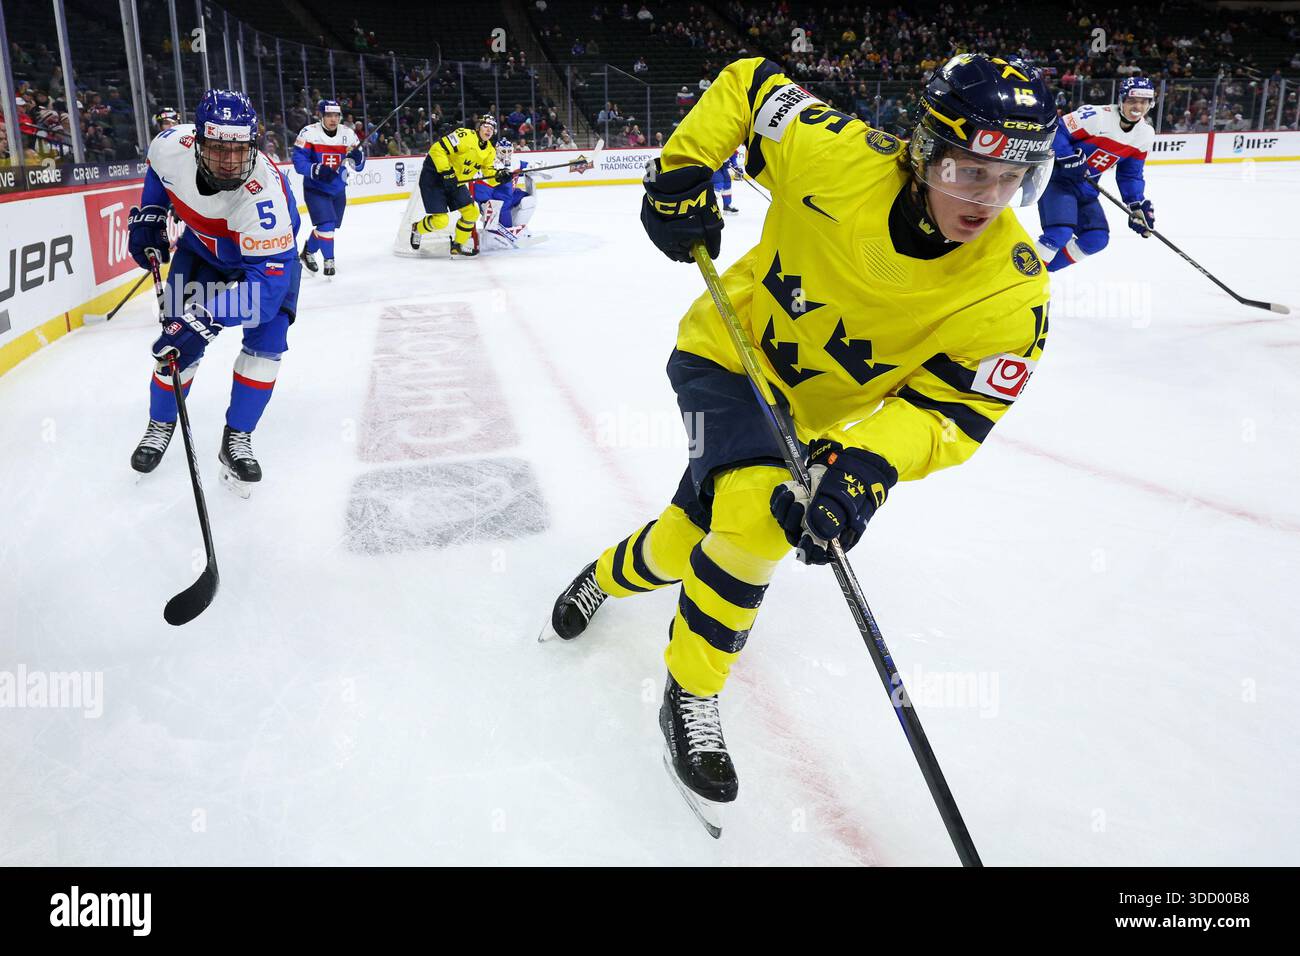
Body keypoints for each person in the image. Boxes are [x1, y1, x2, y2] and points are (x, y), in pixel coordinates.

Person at [539, 54, 1057, 821]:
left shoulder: (1013, 290)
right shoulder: (838, 154)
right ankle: (691, 692)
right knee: (756, 516)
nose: (989, 199)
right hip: (723, 356)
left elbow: (948, 414)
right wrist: (684, 169)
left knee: (693, 539)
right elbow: (751, 85)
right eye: (969, 171)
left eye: (1014, 177)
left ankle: (606, 575)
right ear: (924, 152)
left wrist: (864, 469)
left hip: (803, 420)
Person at [125, 90, 301, 495]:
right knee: (176, 349)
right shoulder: (171, 146)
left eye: (240, 150)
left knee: (267, 347)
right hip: (202, 253)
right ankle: (161, 422)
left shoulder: (265, 195)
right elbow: (157, 172)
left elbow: (266, 292)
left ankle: (237, 437)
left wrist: (204, 319)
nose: (230, 160)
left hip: (266, 267)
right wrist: (151, 212)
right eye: (219, 149)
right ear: (198, 143)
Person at [1035, 75, 1155, 271]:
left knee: (1096, 238)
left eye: (1143, 102)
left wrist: (1137, 205)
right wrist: (1068, 157)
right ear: (1121, 100)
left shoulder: (1145, 134)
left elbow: (1130, 174)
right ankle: (1020, 277)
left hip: (1085, 186)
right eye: (1132, 100)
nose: (1137, 107)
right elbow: (1056, 129)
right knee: (1060, 232)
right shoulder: (1096, 116)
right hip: (1058, 179)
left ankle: (1040, 273)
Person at [409, 114, 507, 257]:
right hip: (434, 178)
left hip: (456, 182)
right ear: (479, 127)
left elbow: (490, 176)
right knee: (441, 221)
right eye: (486, 126)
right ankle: (417, 228)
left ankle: (457, 245)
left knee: (472, 212)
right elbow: (437, 149)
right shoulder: (464, 135)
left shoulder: (490, 151)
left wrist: (501, 177)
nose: (488, 130)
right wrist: (447, 172)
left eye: (492, 128)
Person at [293, 99, 366, 277]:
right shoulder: (308, 133)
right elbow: (298, 161)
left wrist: (357, 157)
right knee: (326, 226)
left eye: (336, 115)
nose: (333, 119)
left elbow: (360, 165)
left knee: (329, 227)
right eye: (328, 115)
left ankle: (308, 252)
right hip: (315, 188)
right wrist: (316, 169)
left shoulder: (348, 134)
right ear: (320, 116)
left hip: (338, 189)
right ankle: (329, 261)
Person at [711, 145, 743, 214]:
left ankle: (727, 206)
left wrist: (736, 167)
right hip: (714, 166)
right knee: (718, 183)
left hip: (723, 167)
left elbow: (733, 156)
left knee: (727, 183)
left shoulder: (733, 144)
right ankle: (709, 206)